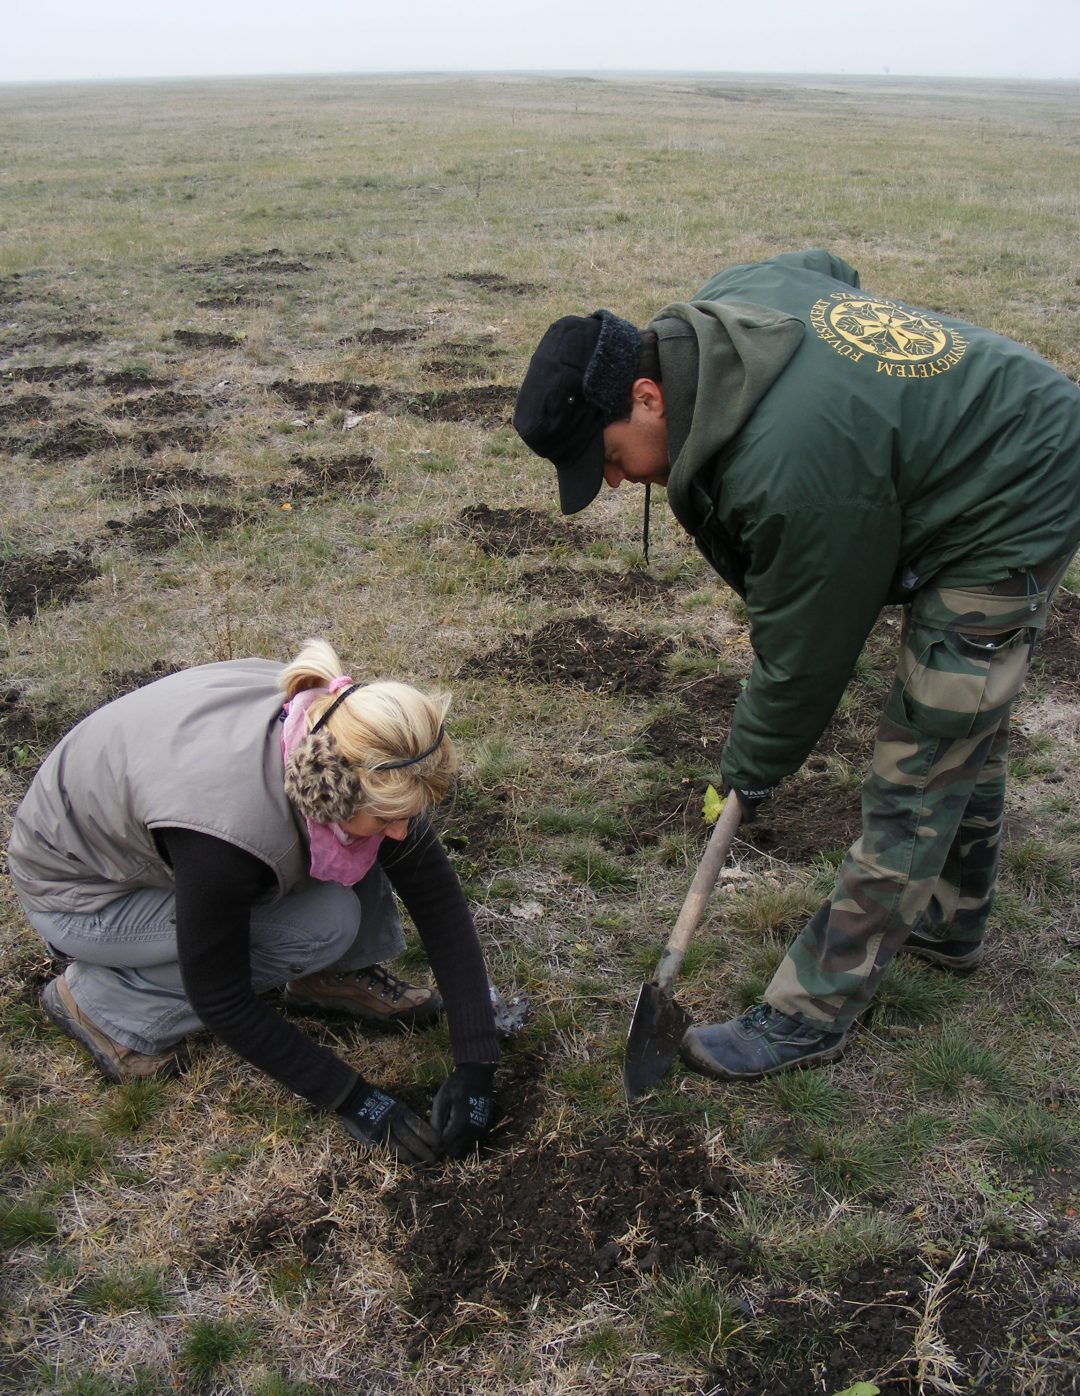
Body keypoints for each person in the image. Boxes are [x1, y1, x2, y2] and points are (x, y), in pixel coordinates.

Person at [513, 248, 1080, 1080]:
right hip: (975, 434)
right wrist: (878, 389)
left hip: (1020, 483)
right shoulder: (726, 306)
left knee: (921, 761)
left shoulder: (790, 476)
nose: (611, 479)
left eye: (605, 457)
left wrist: (750, 769)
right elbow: (826, 267)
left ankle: (809, 1013)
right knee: (960, 722)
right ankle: (950, 920)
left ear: (646, 395)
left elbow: (805, 659)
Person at [8, 640, 500, 1160]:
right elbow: (221, 997)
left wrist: (477, 1064)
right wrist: (357, 1099)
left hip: (161, 828)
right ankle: (102, 1007)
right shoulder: (226, 837)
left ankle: (329, 975)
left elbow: (438, 903)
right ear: (327, 791)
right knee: (321, 925)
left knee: (355, 865)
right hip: (86, 892)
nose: (402, 832)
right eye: (387, 818)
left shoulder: (340, 731)